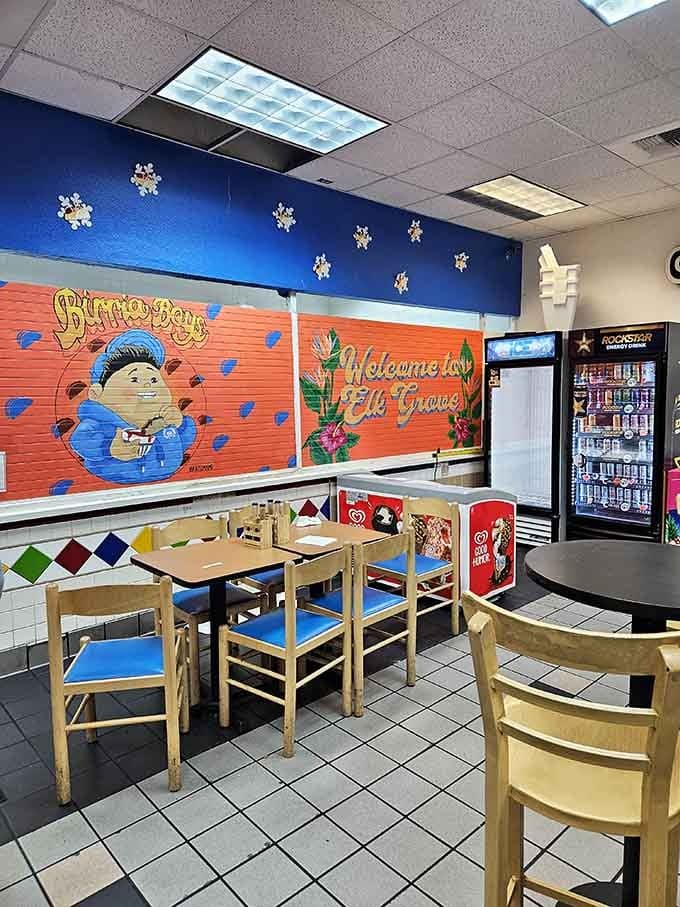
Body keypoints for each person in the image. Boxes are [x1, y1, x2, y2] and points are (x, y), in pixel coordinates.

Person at [70, 329, 196, 484]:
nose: (148, 384)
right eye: (135, 379)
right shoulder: (101, 423)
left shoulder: (164, 422)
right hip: (113, 480)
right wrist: (108, 447)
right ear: (97, 393)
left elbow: (186, 440)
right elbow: (80, 440)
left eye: (154, 380)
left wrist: (181, 425)